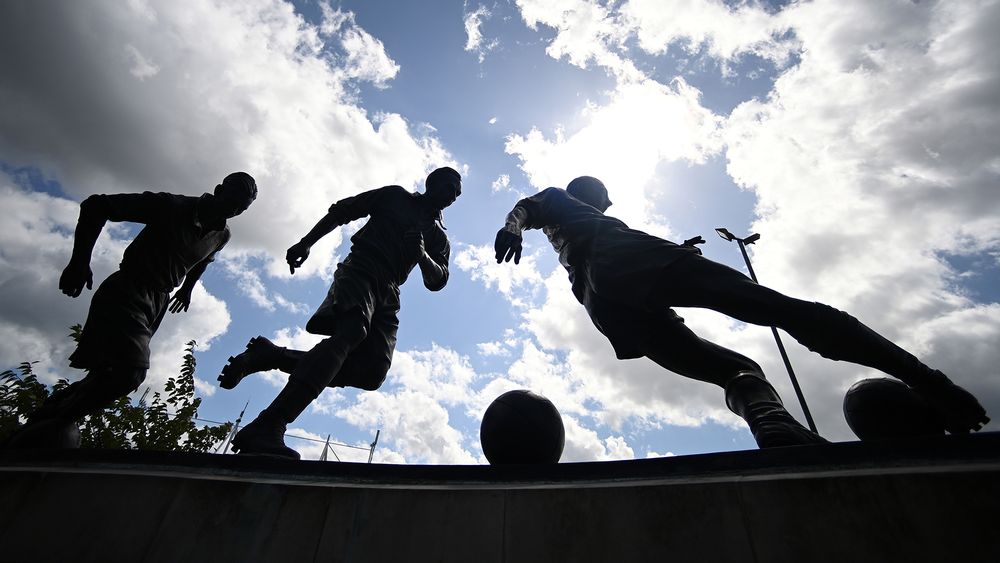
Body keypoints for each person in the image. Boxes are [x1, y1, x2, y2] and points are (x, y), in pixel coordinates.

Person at [494, 176, 989, 448]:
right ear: (593, 195)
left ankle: (772, 425)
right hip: (627, 259)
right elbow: (527, 206)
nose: (609, 201)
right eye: (605, 197)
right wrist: (514, 226)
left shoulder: (573, 231)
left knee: (738, 371)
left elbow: (546, 220)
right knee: (784, 310)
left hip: (603, 305)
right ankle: (927, 380)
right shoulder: (566, 200)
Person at [219, 167, 462, 459]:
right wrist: (306, 242)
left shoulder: (438, 238)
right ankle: (270, 424)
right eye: (450, 188)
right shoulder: (395, 197)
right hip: (362, 267)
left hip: (390, 291)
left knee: (372, 373)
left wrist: (421, 255)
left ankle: (271, 356)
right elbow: (342, 211)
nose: (453, 196)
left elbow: (438, 281)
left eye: (457, 194)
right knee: (352, 331)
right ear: (432, 184)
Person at [7, 172, 258, 448]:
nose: (233, 211)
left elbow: (204, 261)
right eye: (232, 201)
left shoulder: (222, 234)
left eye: (241, 209)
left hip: (158, 302)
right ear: (219, 189)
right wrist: (79, 261)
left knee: (107, 374)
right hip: (128, 289)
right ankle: (60, 423)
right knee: (131, 372)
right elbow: (96, 205)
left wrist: (187, 289)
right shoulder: (171, 206)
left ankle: (49, 416)